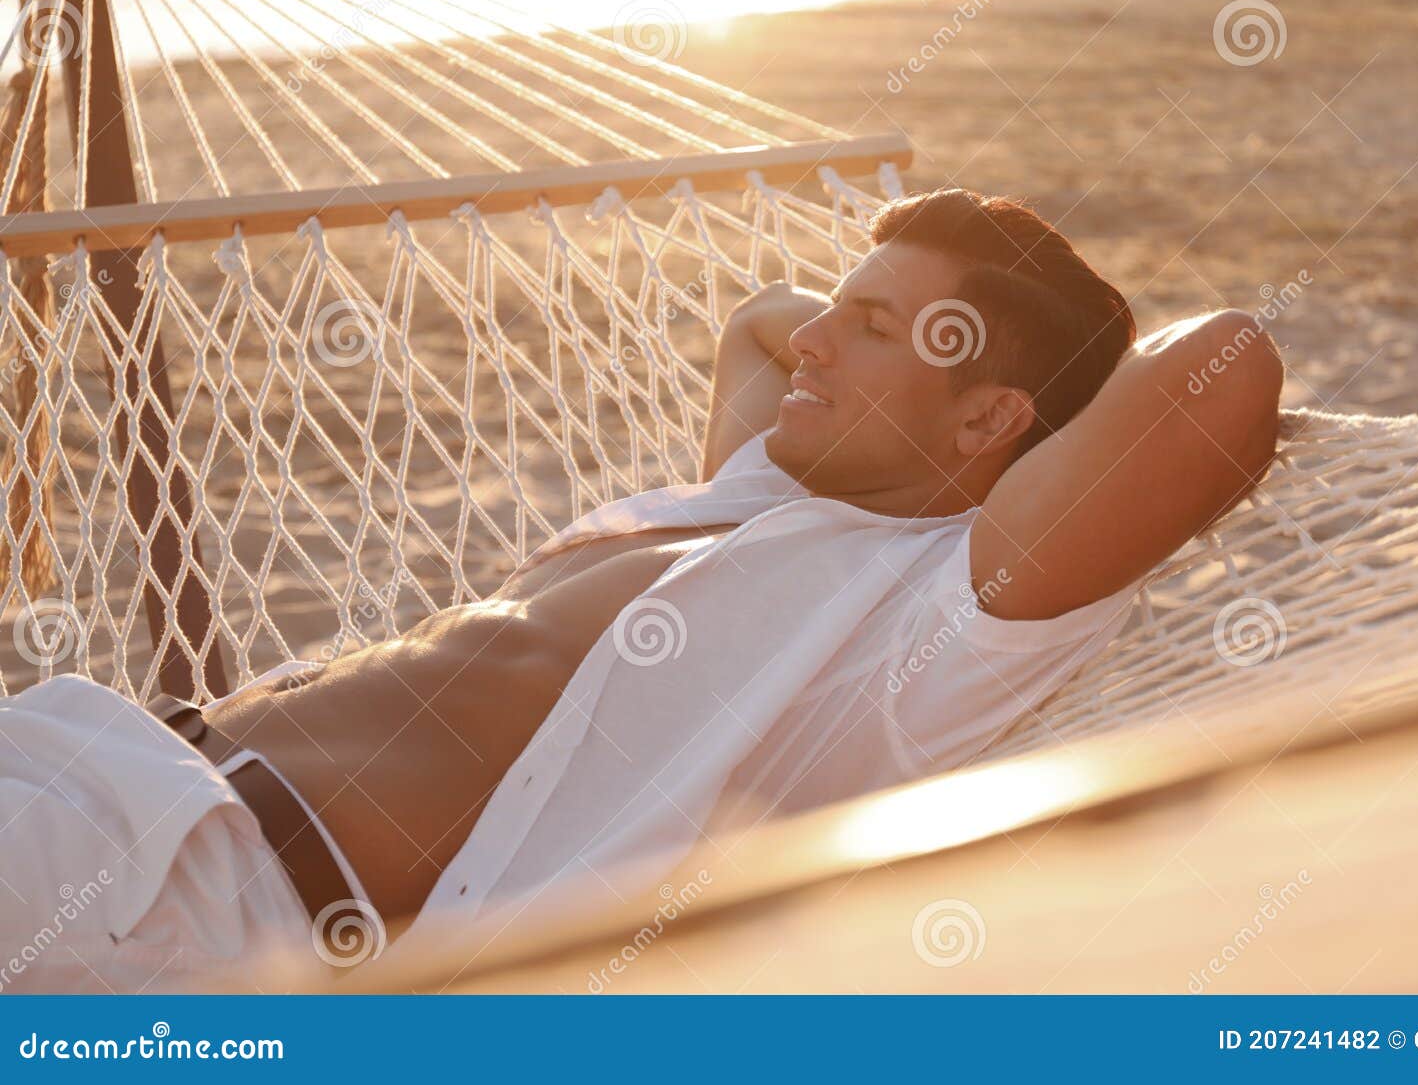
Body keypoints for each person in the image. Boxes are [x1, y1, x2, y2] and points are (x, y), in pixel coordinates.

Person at [0, 189, 1283, 990]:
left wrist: (1013, 401)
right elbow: (759, 319)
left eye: (873, 329)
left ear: (993, 420)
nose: (815, 343)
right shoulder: (764, 497)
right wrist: (898, 321)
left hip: (200, 899)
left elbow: (1224, 365)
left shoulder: (928, 618)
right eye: (841, 311)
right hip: (106, 759)